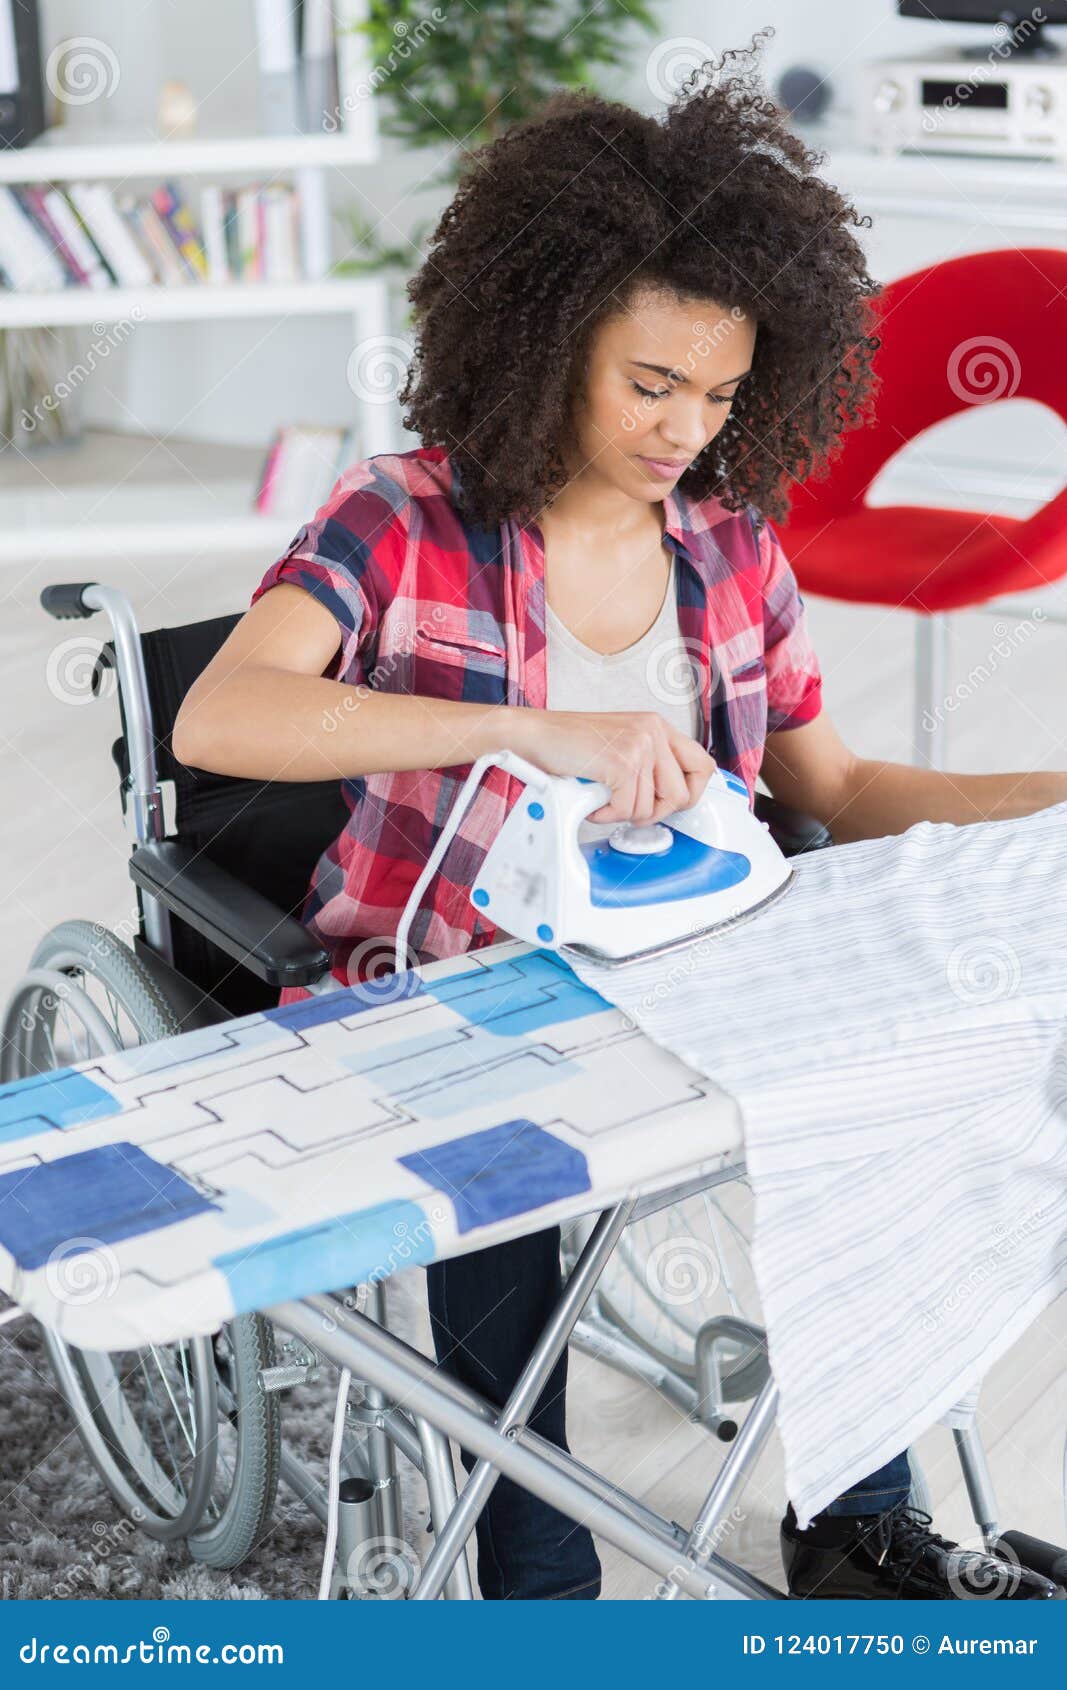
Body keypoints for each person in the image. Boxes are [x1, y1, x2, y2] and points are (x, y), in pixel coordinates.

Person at [173, 43, 1066, 1600]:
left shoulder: (728, 548)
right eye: (650, 383)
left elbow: (838, 792)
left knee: (886, 1099)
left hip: (697, 974)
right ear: (543, 335)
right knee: (503, 1194)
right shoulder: (403, 518)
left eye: (719, 394)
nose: (685, 428)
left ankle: (859, 1519)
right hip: (453, 982)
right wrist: (527, 724)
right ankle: (535, 1576)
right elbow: (221, 719)